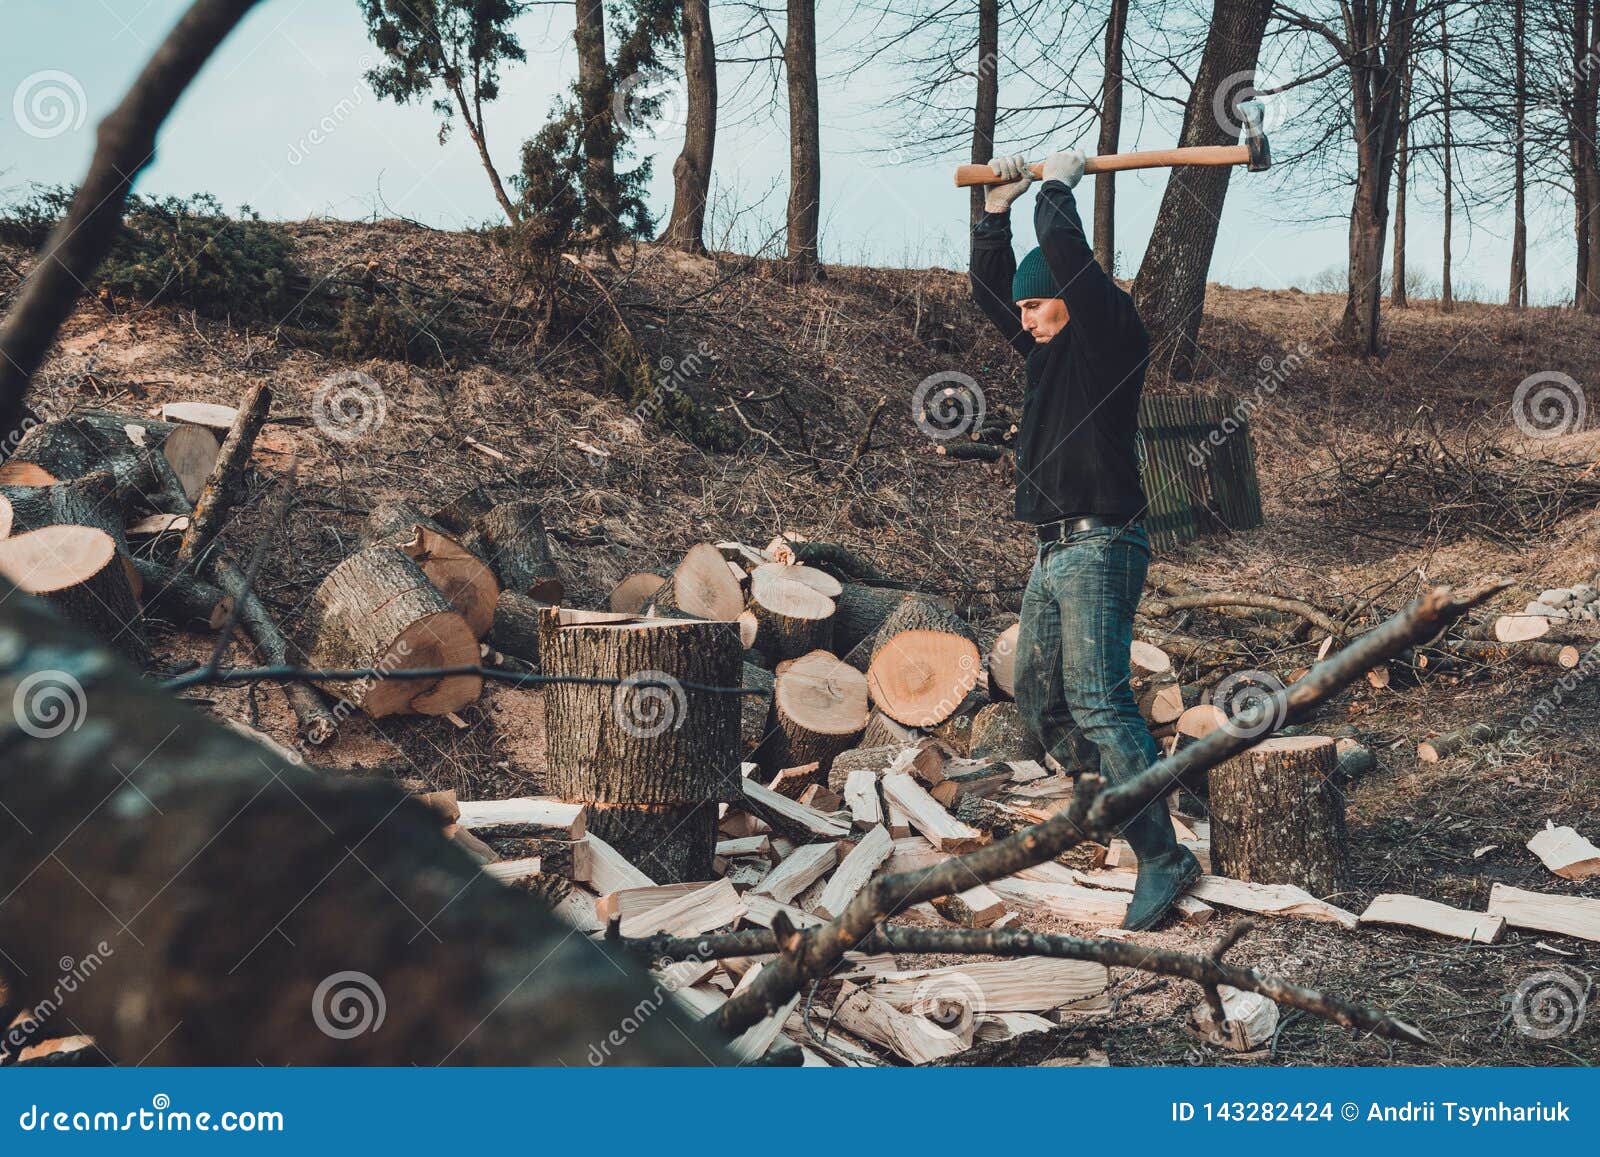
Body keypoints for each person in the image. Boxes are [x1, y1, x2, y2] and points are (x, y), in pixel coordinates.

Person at [968, 149, 1200, 930]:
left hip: (1103, 542)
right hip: (1052, 546)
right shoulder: (1047, 354)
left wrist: (1058, 186)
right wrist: (996, 210)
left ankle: (1162, 853)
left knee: (1101, 699)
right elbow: (989, 292)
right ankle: (1111, 798)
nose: (1023, 318)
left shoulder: (1108, 337)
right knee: (1039, 695)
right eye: (1025, 311)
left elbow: (1066, 255)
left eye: (1037, 306)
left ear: (1067, 298)